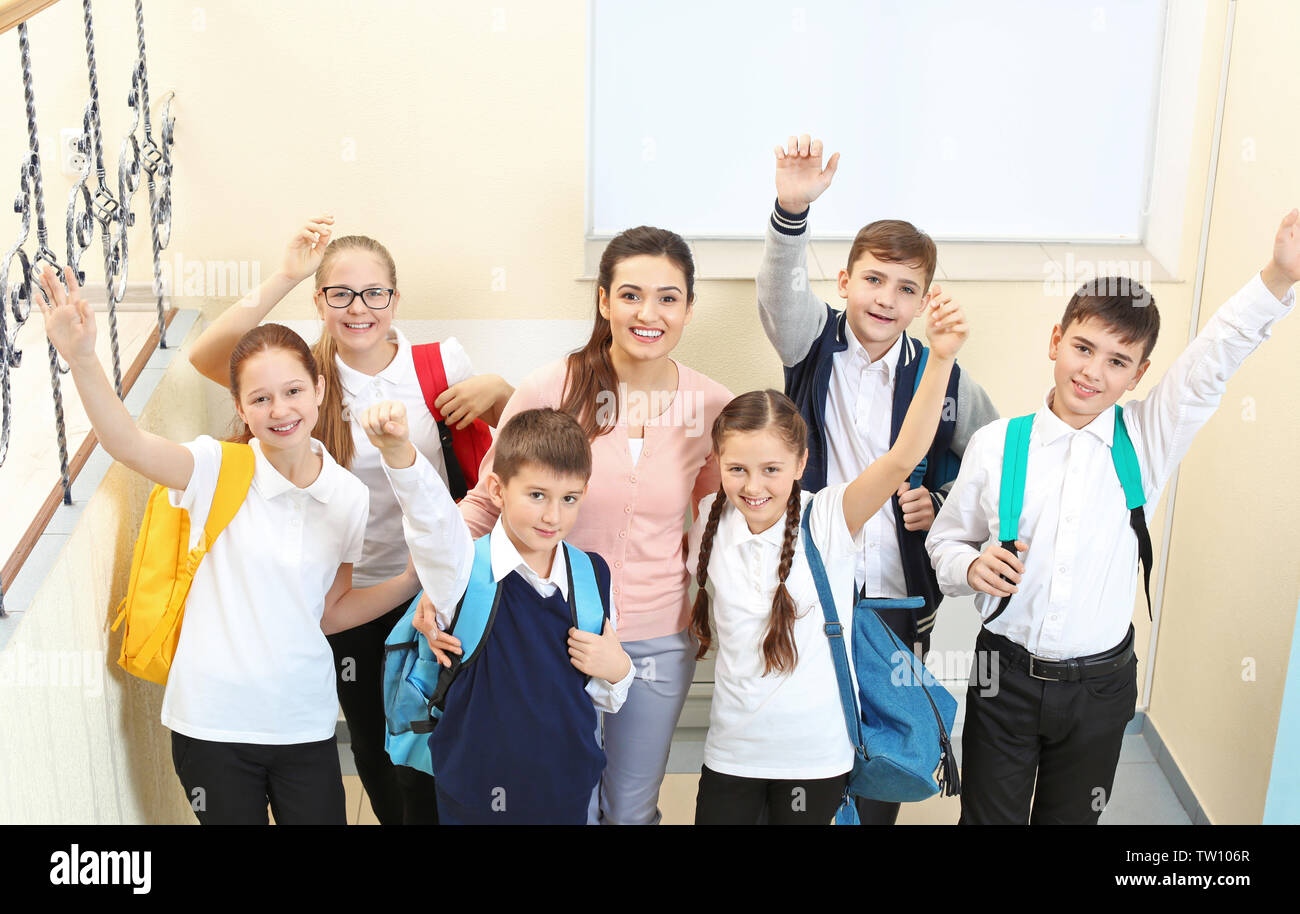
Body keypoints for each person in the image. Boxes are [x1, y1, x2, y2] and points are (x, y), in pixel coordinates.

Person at [926, 209, 1300, 825]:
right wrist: (969, 565)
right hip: (1003, 679)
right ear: (1055, 341)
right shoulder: (996, 445)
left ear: (1138, 375)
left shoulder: (1148, 439)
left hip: (1100, 689)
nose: (1092, 372)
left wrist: (1277, 277)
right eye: (1082, 348)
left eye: (1117, 361)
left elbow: (1213, 361)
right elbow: (945, 545)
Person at [37, 265, 420, 824]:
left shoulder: (348, 496)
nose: (280, 410)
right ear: (240, 408)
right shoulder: (216, 469)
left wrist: (411, 579)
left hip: (304, 725)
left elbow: (330, 611)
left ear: (318, 389)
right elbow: (127, 444)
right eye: (260, 399)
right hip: (212, 725)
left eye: (292, 391)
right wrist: (83, 358)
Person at [188, 216, 512, 824]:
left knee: (443, 737)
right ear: (319, 300)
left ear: (394, 299)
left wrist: (498, 388)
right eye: (339, 293)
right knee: (374, 745)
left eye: (374, 294)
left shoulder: (438, 363)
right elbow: (206, 357)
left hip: (439, 587)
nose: (358, 308)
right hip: (350, 597)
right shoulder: (304, 378)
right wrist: (286, 272)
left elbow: (515, 446)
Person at [453, 225, 732, 824]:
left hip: (659, 638)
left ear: (687, 308)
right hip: (552, 630)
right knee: (563, 801)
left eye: (668, 297)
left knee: (631, 809)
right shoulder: (551, 388)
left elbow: (718, 531)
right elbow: (485, 502)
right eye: (630, 295)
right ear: (604, 300)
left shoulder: (713, 407)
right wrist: (437, 585)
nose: (648, 313)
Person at [756, 134, 998, 823]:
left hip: (894, 598)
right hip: (809, 584)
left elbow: (993, 465)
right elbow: (777, 292)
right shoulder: (810, 345)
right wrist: (790, 211)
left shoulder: (939, 373)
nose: (885, 298)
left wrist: (942, 505)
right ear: (844, 281)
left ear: (923, 301)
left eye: (905, 288)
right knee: (806, 754)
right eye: (872, 278)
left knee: (881, 753)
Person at [688, 290, 968, 824]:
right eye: (737, 469)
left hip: (816, 760)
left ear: (801, 462)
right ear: (718, 463)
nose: (753, 486)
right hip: (730, 755)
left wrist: (941, 358)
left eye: (771, 469)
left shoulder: (830, 518)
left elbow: (903, 456)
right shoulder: (709, 519)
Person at [359, 402, 634, 824]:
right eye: (537, 495)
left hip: (564, 790)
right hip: (475, 794)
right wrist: (400, 455)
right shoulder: (463, 568)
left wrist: (619, 670)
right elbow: (432, 524)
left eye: (569, 498)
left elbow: (602, 693)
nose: (552, 516)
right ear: (497, 489)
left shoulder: (592, 574)